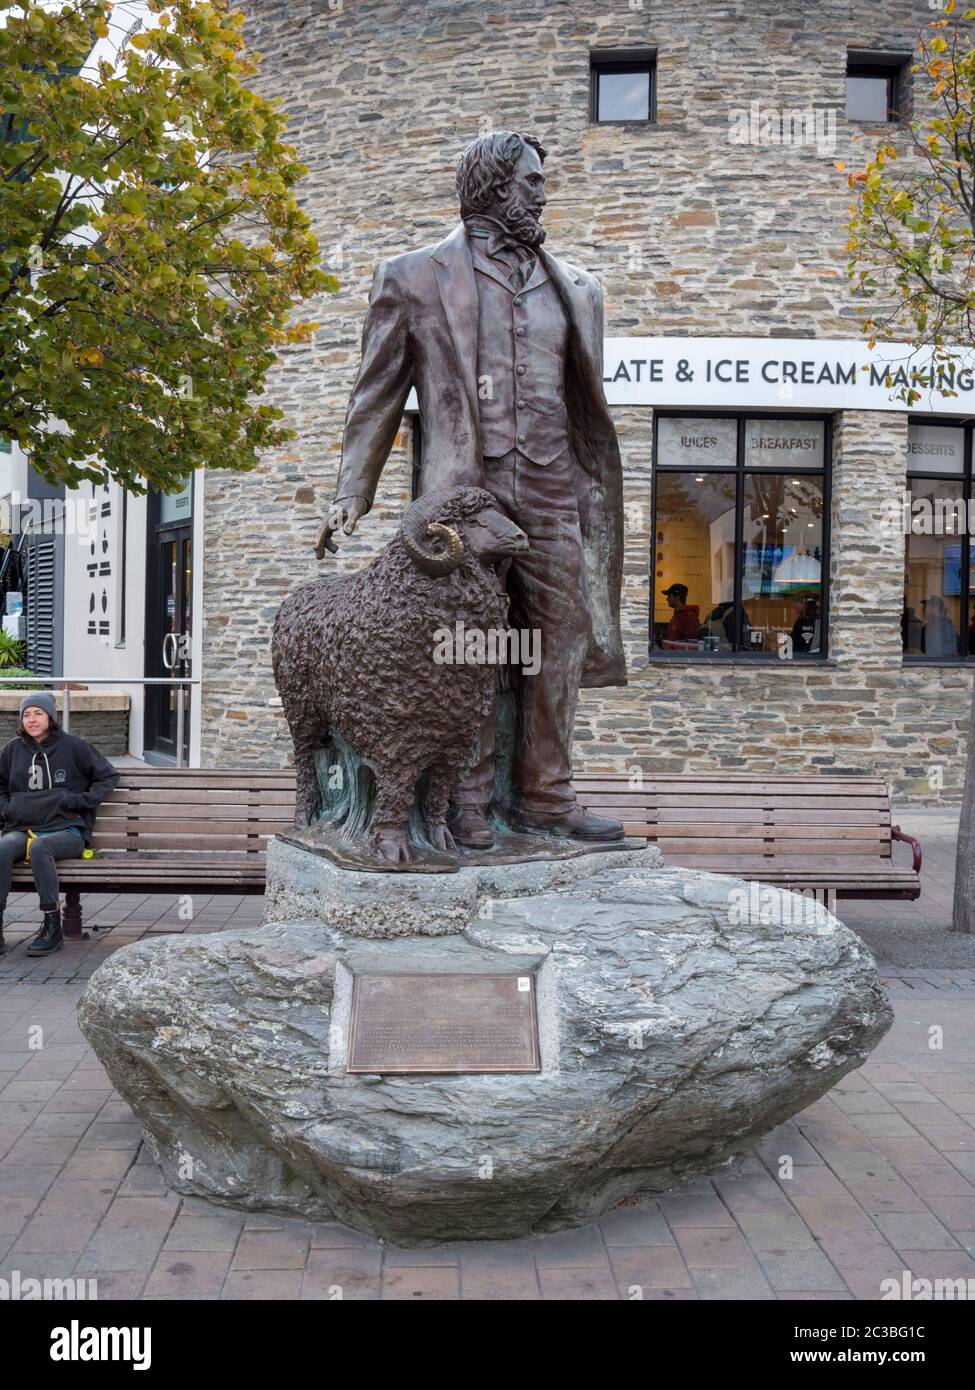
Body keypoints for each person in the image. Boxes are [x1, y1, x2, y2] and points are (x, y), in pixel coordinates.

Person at [313, 131, 626, 850]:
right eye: (533, 181)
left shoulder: (577, 289)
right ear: (493, 187)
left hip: (552, 489)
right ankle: (467, 801)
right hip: (464, 499)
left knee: (558, 639)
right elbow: (376, 395)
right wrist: (349, 494)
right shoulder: (414, 276)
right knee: (467, 643)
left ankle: (547, 797)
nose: (544, 193)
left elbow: (582, 404)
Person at [0, 692, 118, 958]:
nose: (32, 719)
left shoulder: (74, 746)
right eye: (26, 714)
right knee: (3, 848)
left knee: (41, 847)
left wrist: (80, 801)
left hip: (66, 830)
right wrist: (5, 808)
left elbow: (108, 775)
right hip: (22, 827)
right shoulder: (12, 750)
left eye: (38, 713)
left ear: (51, 716)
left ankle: (52, 927)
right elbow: (0, 786)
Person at [660, 582, 700, 649]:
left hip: (680, 657)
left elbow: (691, 642)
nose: (667, 599)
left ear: (677, 597)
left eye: (669, 596)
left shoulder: (688, 616)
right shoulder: (678, 615)